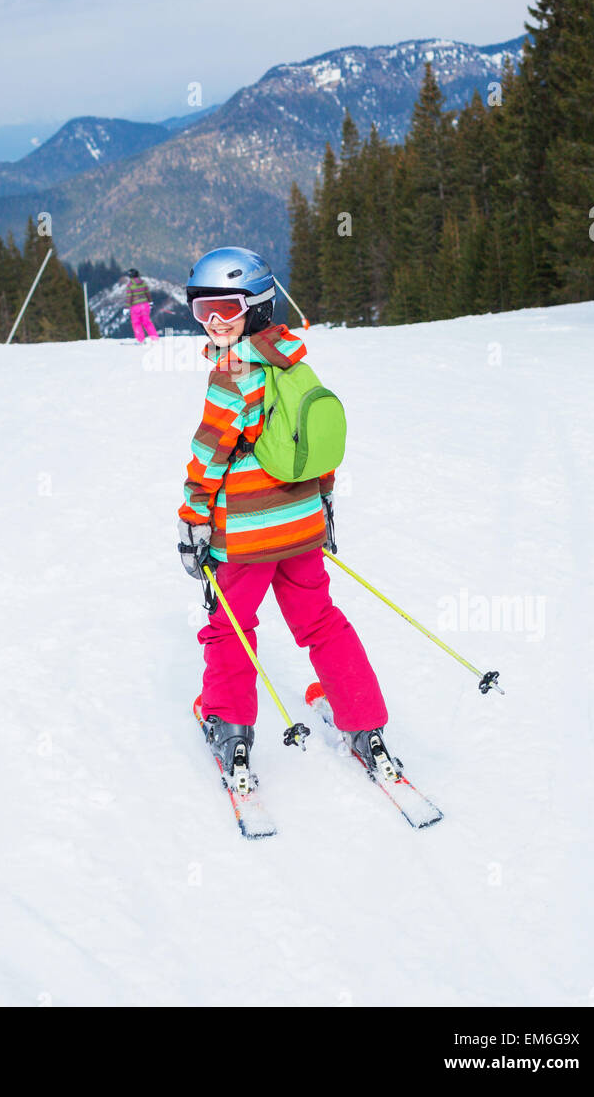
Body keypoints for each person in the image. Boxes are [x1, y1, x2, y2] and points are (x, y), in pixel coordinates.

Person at [177, 245, 393, 783]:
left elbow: (209, 455)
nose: (213, 324)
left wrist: (192, 517)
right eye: (201, 310)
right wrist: (324, 501)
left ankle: (228, 728)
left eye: (225, 309)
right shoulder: (295, 360)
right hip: (301, 528)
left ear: (257, 305)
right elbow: (317, 442)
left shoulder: (232, 373)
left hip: (247, 539)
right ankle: (362, 722)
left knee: (231, 625)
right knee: (320, 620)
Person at [124, 268, 159, 343]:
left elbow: (129, 297)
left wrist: (127, 307)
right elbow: (148, 294)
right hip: (145, 305)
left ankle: (140, 340)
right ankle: (155, 338)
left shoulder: (130, 285)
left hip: (135, 307)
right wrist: (150, 302)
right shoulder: (143, 283)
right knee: (147, 322)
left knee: (136, 323)